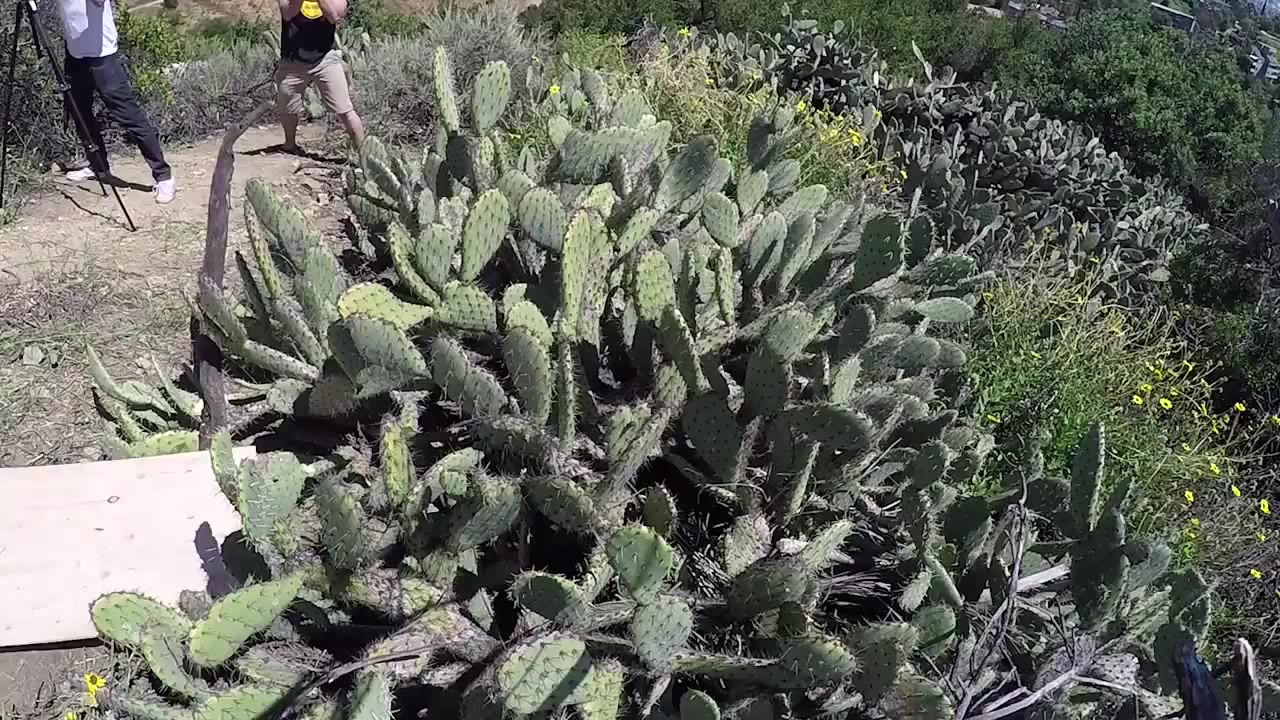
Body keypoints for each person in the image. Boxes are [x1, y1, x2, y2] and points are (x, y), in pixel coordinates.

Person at [55, 0, 176, 204]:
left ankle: (163, 176)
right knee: (80, 111)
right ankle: (98, 165)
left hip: (102, 57)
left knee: (128, 115)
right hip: (74, 54)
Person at [274, 0, 365, 153]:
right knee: (287, 108)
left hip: (325, 60)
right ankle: (290, 145)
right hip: (292, 61)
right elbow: (287, 13)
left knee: (345, 109)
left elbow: (333, 16)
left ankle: (364, 152)